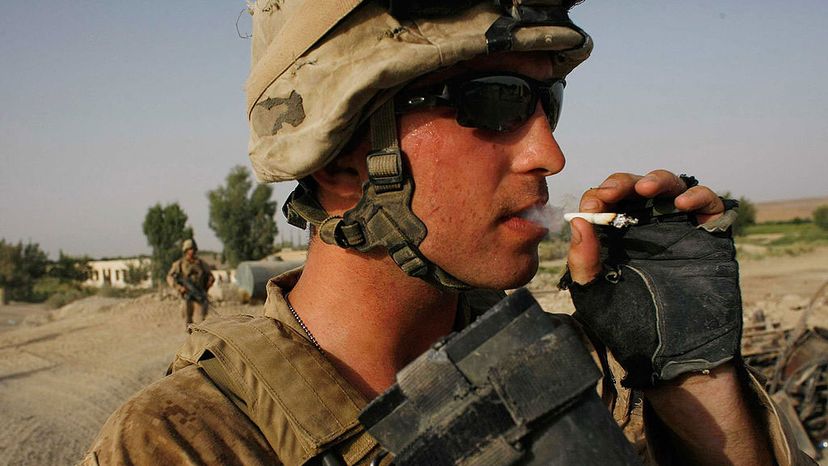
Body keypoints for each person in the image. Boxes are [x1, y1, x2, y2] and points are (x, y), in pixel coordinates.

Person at [83, 2, 815, 465]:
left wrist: (695, 380)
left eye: (546, 102)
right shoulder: (184, 443)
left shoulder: (580, 373)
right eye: (494, 102)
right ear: (341, 155)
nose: (549, 154)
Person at [166, 238, 214, 329]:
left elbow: (210, 275)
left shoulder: (201, 263)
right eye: (190, 249)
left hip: (200, 295)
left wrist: (209, 282)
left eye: (193, 249)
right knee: (188, 321)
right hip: (187, 296)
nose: (192, 251)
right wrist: (179, 288)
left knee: (201, 322)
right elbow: (169, 277)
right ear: (185, 251)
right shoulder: (180, 264)